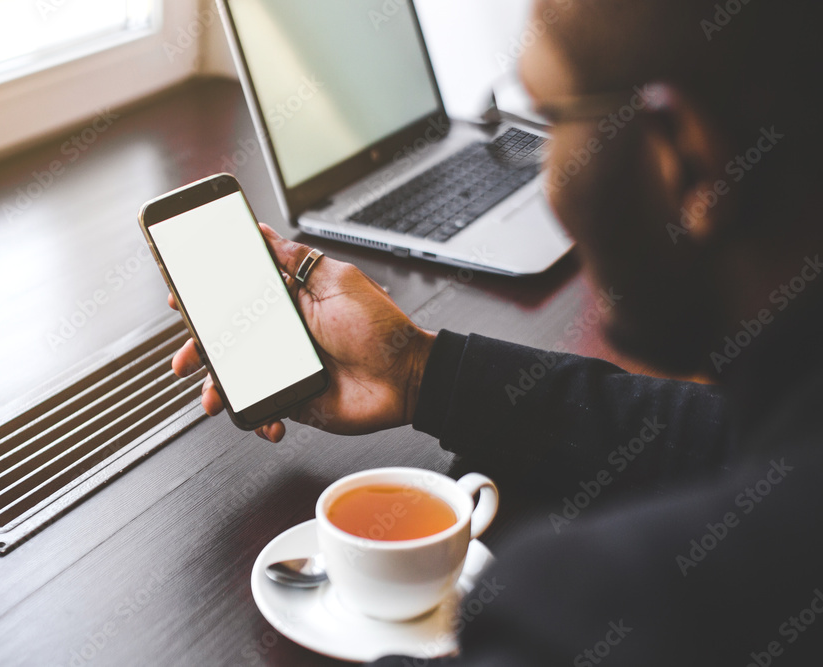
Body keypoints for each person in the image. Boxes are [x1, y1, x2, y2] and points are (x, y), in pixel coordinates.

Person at [172, 0, 823, 663]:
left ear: (685, 159)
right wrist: (420, 372)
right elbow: (714, 434)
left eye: (549, 117)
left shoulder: (582, 619)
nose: (545, 185)